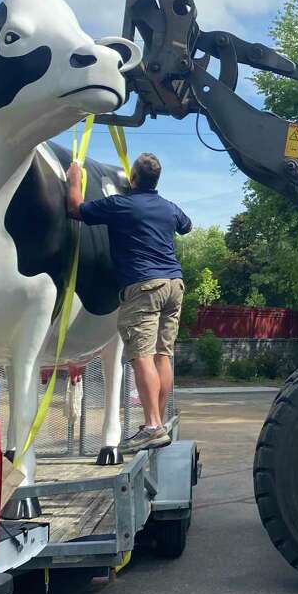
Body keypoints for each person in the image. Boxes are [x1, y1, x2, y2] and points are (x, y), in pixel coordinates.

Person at [66, 152, 192, 453]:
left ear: (133, 179)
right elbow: (186, 226)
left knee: (142, 355)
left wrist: (74, 179)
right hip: (175, 285)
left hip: (145, 286)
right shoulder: (168, 207)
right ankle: (157, 422)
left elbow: (75, 209)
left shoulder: (120, 205)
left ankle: (151, 427)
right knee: (162, 354)